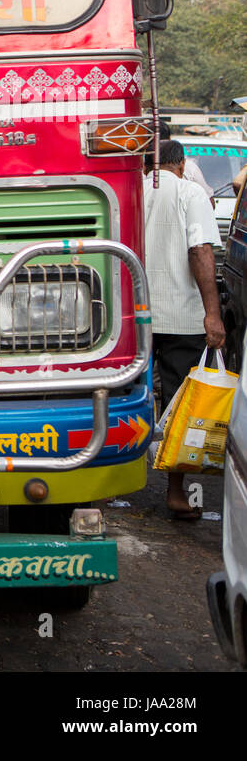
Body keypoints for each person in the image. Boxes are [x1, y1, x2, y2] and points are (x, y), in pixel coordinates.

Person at [144, 139, 224, 520]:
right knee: (181, 404)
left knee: (127, 398)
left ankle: (106, 491)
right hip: (180, 316)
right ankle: (178, 493)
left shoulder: (133, 188)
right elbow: (200, 251)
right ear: (180, 164)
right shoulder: (190, 191)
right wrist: (213, 313)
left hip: (135, 317)